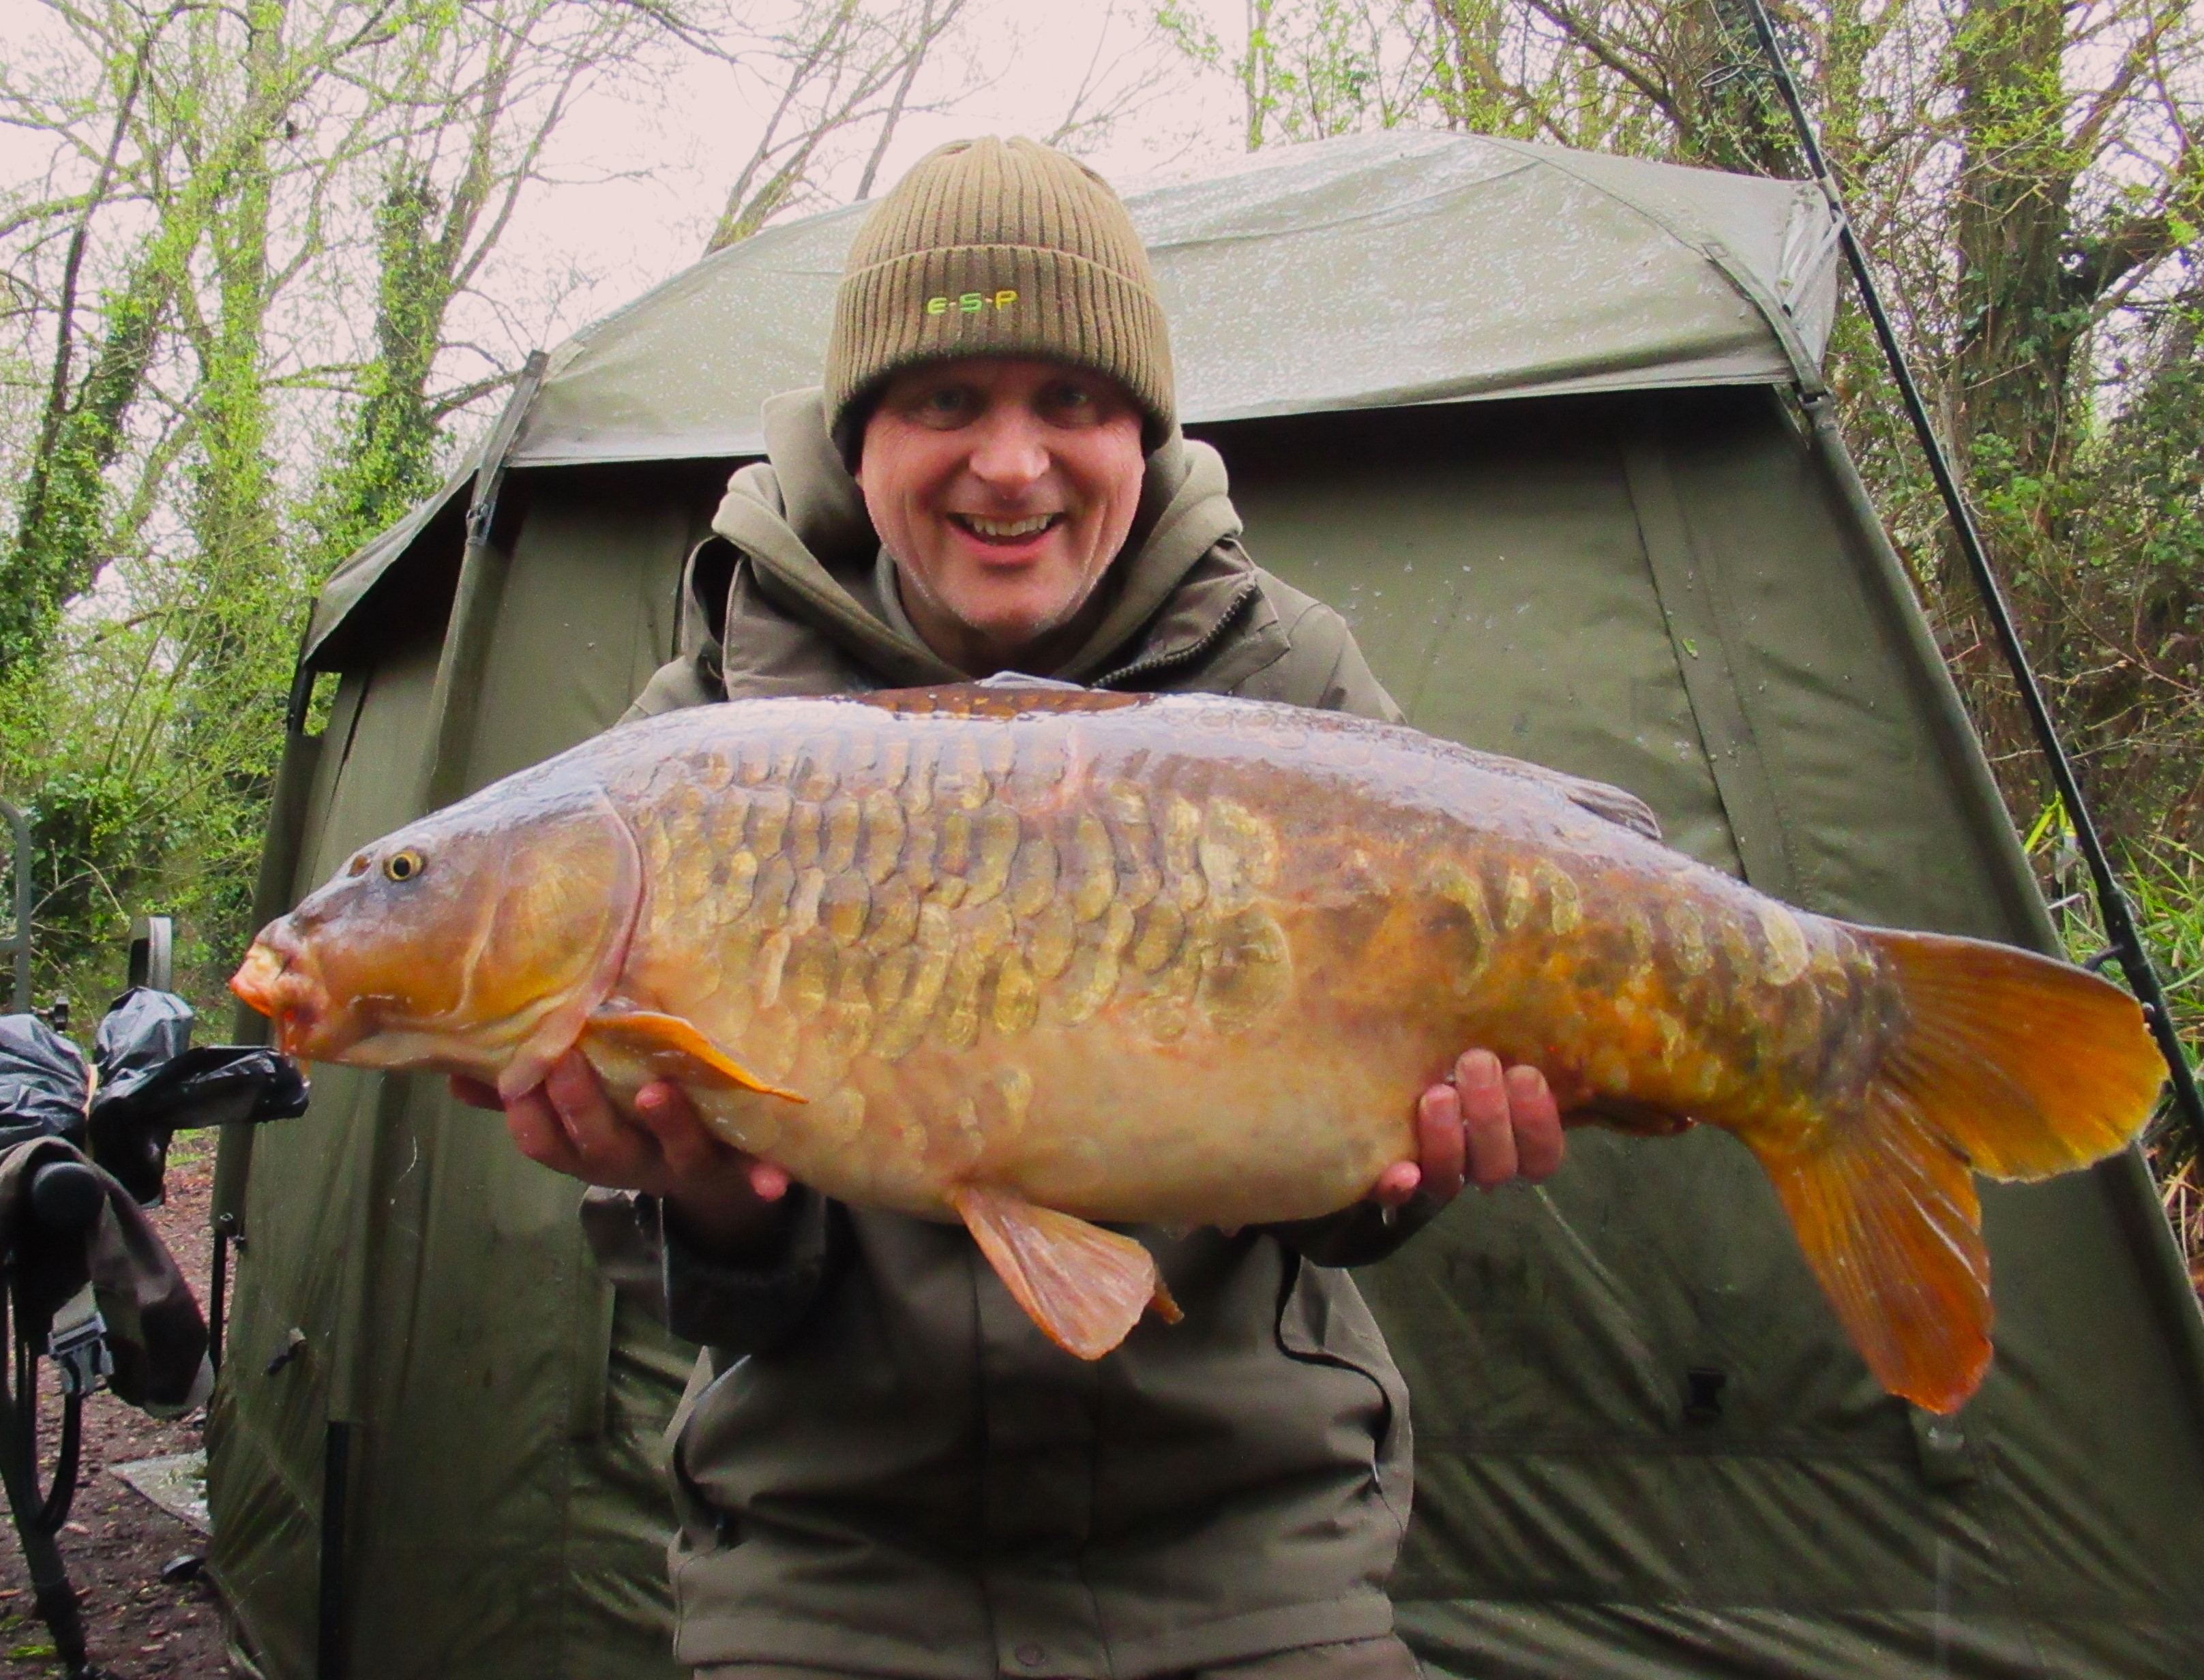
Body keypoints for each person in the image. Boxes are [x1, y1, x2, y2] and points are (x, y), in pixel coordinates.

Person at [458, 136, 1564, 1680]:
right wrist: (699, 1196)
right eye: (944, 402)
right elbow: (705, 1289)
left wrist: (1402, 1165)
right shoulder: (699, 732)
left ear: (1141, 430)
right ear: (860, 437)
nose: (1010, 464)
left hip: (1247, 1549)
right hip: (826, 1560)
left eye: (1070, 401)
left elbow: (1337, 1190)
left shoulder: (1287, 683)